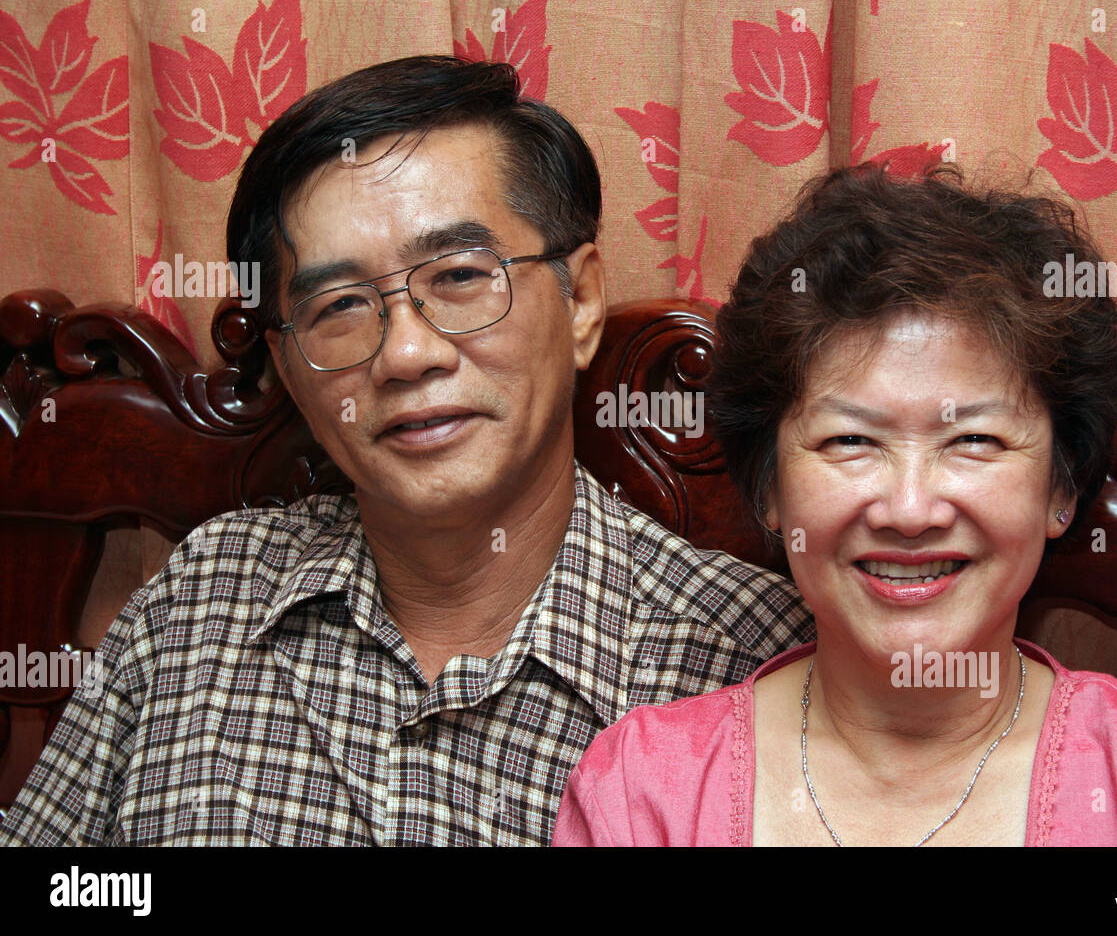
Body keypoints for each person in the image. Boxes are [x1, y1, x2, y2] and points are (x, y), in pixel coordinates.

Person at [0, 56, 814, 846]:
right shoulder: (202, 599)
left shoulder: (757, 665)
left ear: (582, 301)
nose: (407, 354)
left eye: (459, 276)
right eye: (339, 305)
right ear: (287, 365)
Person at [552, 164, 1117, 846]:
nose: (909, 511)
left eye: (974, 440)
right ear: (769, 488)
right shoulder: (642, 797)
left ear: (1061, 488)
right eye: (849, 440)